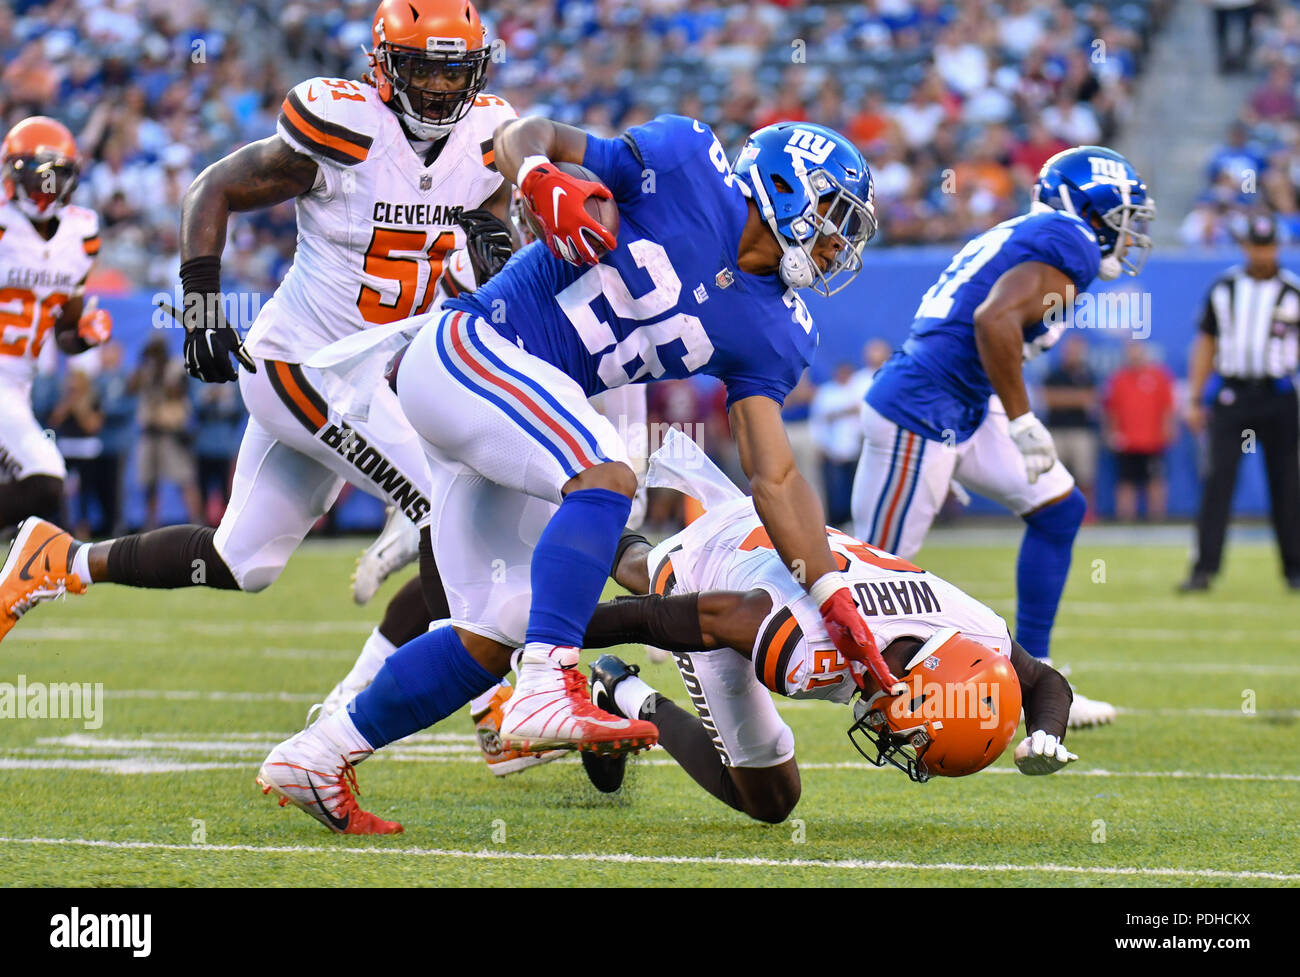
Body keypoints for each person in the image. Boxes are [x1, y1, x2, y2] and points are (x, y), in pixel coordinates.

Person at [255, 116, 891, 834]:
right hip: (471, 348)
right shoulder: (685, 162)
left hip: (499, 408)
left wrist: (828, 587)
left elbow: (774, 474)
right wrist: (535, 177)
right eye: (836, 216)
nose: (840, 243)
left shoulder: (778, 326)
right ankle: (547, 681)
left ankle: (318, 753)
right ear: (786, 185)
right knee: (605, 476)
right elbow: (532, 133)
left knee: (486, 632)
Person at [0, 0, 517, 649]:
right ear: (383, 65)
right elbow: (212, 188)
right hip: (298, 365)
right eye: (422, 68)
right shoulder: (347, 128)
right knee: (440, 506)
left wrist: (497, 244)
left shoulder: (488, 138)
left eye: (454, 71)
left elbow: (494, 216)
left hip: (362, 382)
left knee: (241, 561)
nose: (440, 88)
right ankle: (489, 701)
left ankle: (60, 558)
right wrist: (202, 307)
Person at [575, 431, 1076, 818]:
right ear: (920, 688)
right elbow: (666, 618)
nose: (901, 745)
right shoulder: (805, 647)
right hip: (721, 571)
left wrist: (1047, 733)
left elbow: (1044, 681)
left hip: (777, 562)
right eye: (916, 737)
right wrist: (546, 633)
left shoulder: (976, 637)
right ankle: (619, 681)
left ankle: (611, 670)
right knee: (767, 800)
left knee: (645, 569)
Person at [851, 146, 1157, 729]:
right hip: (923, 406)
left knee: (1059, 508)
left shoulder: (1037, 232)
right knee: (872, 582)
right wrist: (1021, 419)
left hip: (962, 400)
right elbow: (995, 322)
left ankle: (1035, 677)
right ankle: (728, 630)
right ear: (1089, 212)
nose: (1130, 234)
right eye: (1122, 219)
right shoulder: (1071, 240)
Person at [0, 117, 113, 536]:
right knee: (46, 480)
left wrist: (82, 335)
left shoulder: (81, 234)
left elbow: (65, 332)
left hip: (18, 385)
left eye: (55, 175)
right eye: (35, 174)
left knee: (42, 487)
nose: (45, 186)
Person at [1180, 212, 1300, 592]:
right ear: (1245, 245)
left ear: (1277, 247)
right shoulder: (1224, 289)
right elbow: (1205, 345)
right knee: (1218, 481)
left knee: (1288, 484)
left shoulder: (1293, 292)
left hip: (1279, 396)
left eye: (1268, 246)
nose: (1262, 254)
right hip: (1233, 396)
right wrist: (1196, 398)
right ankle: (1204, 569)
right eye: (1256, 246)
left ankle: (1294, 568)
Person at [130, 336, 201, 528]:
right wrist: (141, 361)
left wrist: (159, 370)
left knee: (185, 479)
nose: (155, 356)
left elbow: (176, 391)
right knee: (149, 483)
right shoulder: (145, 369)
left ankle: (197, 523)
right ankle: (150, 525)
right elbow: (130, 388)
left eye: (157, 351)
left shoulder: (175, 366)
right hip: (149, 433)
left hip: (171, 432)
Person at [1103, 341, 1176, 522]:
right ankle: (1125, 520)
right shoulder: (1118, 379)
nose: (1134, 357)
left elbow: (1167, 406)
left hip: (1152, 440)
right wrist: (1111, 433)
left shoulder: (1158, 376)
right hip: (1126, 441)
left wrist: (1168, 429)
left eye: (1138, 353)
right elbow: (1111, 410)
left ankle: (1157, 519)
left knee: (1155, 481)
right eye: (1131, 353)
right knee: (1126, 482)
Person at [1041, 334, 1099, 507]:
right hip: (1057, 430)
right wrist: (1077, 398)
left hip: (1082, 431)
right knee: (1054, 477)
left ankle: (1086, 513)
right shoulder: (1054, 374)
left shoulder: (1088, 374)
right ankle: (1054, 512)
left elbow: (1090, 400)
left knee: (1085, 476)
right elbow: (1049, 399)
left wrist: (1063, 397)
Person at [809, 361, 863, 525]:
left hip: (855, 449)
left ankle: (853, 521)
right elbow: (818, 421)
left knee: (855, 489)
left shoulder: (857, 390)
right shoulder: (826, 393)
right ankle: (836, 522)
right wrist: (820, 446)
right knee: (835, 491)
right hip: (833, 450)